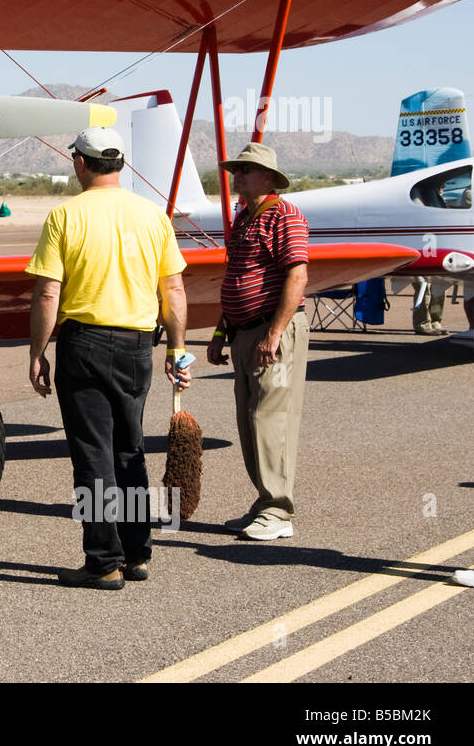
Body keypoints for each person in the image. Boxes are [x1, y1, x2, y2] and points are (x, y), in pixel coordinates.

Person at [27, 127, 189, 590]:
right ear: (119, 165)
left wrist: (37, 351)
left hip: (85, 344)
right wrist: (177, 348)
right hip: (139, 344)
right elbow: (173, 288)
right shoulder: (152, 215)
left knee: (93, 456)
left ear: (81, 162)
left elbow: (47, 293)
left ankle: (103, 561)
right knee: (129, 450)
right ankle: (137, 553)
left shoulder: (64, 216)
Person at [207, 143, 309, 541]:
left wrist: (274, 333)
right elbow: (236, 280)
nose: (238, 176)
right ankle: (265, 502)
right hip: (246, 331)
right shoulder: (245, 218)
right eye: (237, 169)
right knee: (250, 420)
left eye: (247, 170)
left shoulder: (284, 215)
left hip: (272, 332)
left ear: (267, 177)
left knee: (271, 418)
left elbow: (296, 277)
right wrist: (220, 331)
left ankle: (279, 510)